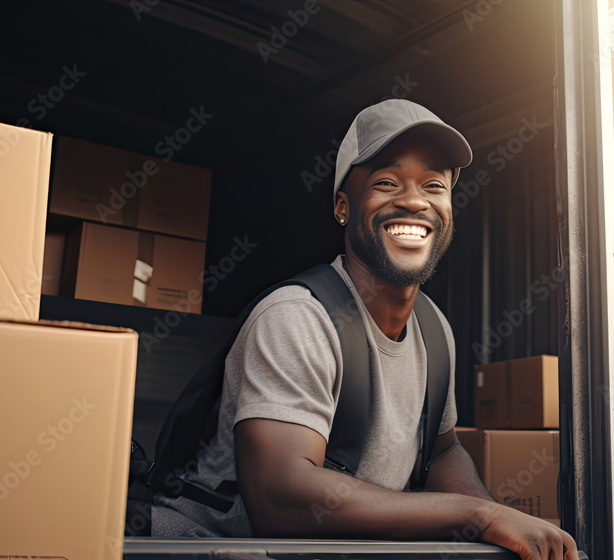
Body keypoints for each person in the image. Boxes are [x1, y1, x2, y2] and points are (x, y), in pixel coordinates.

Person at [153, 99, 579, 560]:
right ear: (342, 206)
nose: (415, 201)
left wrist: (498, 521)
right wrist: (476, 517)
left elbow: (443, 452)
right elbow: (281, 501)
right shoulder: (298, 317)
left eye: (434, 185)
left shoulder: (435, 332)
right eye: (386, 183)